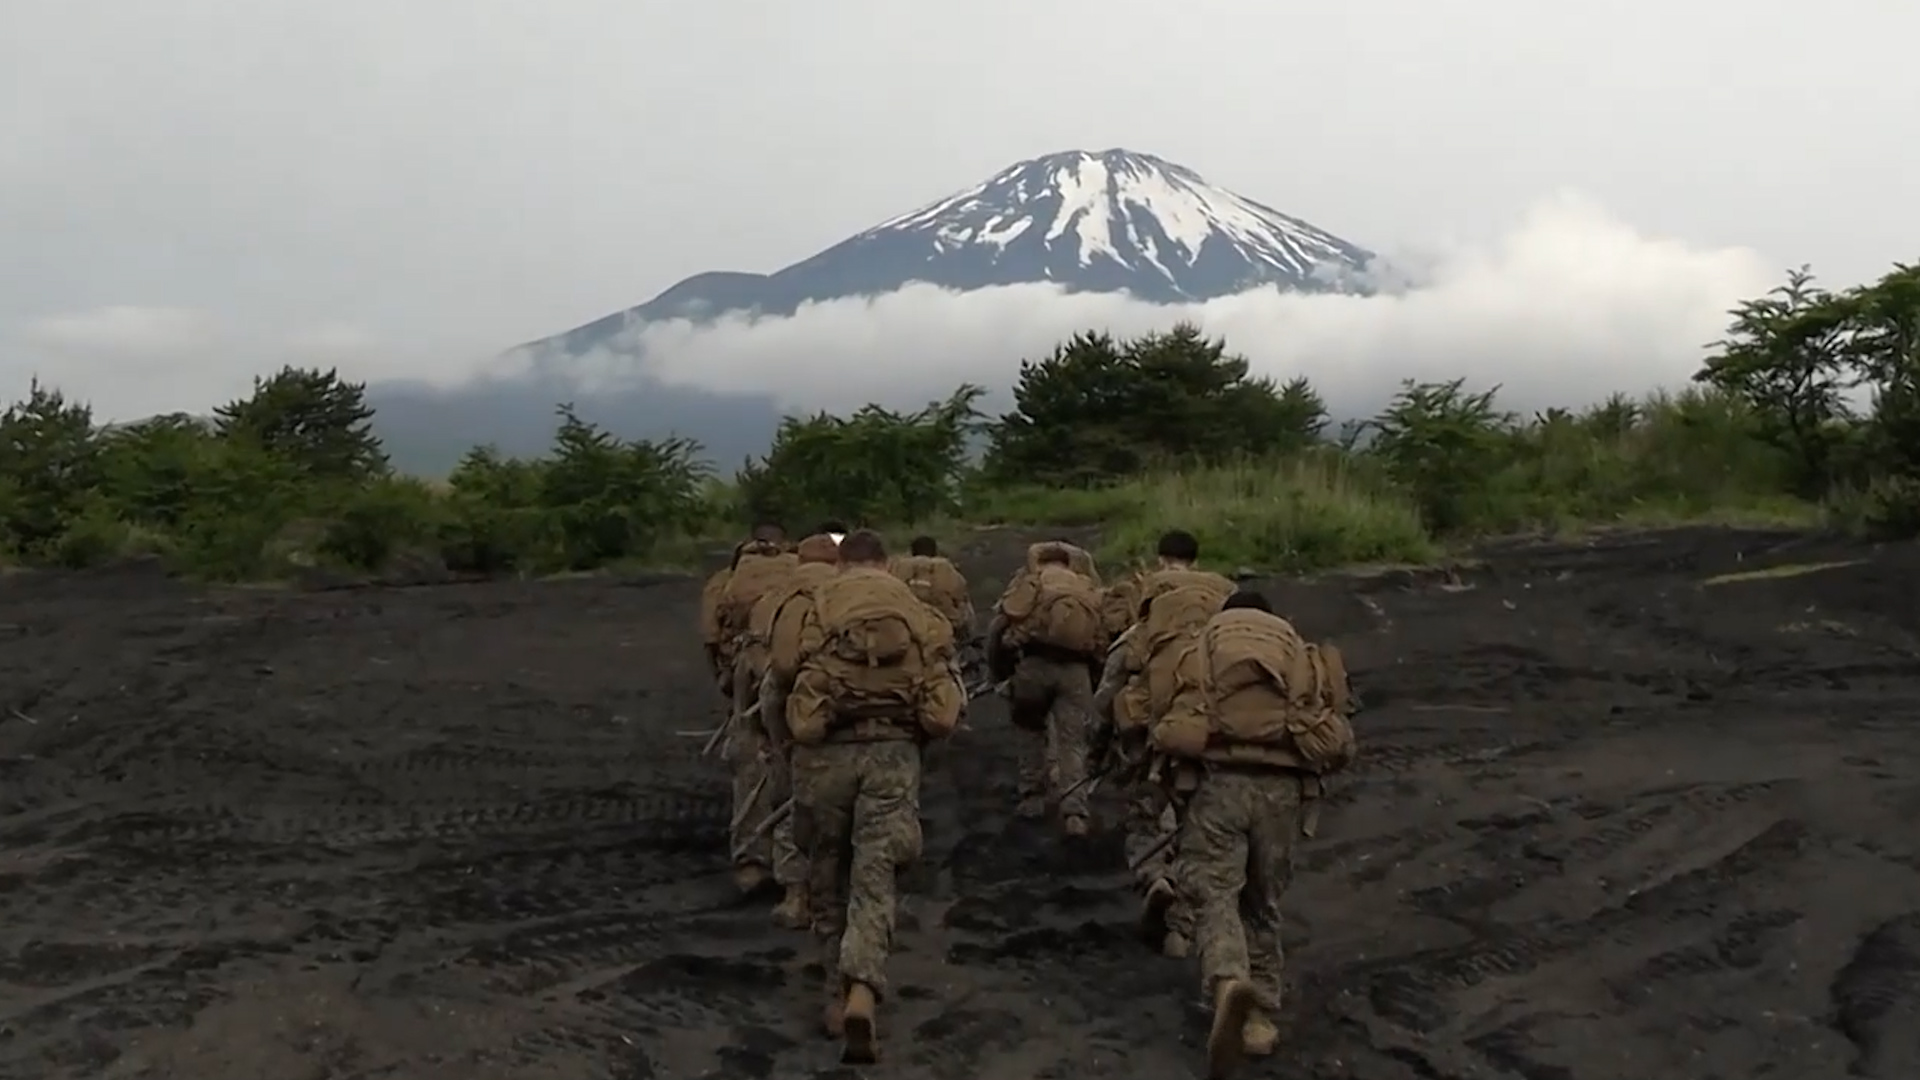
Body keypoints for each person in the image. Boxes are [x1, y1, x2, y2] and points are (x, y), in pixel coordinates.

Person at [1149, 590, 1356, 1077]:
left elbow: (1166, 714)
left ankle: (1227, 980)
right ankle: (1259, 1018)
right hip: (1282, 794)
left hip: (1218, 785)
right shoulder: (1300, 652)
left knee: (1215, 894)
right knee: (1262, 902)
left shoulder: (1200, 648)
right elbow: (1338, 734)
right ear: (1272, 618)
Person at [785, 529, 965, 1063]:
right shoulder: (914, 609)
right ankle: (864, 983)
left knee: (827, 870)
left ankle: (835, 996)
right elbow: (942, 705)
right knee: (875, 874)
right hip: (892, 755)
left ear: (841, 564)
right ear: (887, 565)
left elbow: (782, 672)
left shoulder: (821, 601)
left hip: (825, 757)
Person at [1103, 529, 1236, 956]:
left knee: (1145, 816)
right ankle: (1180, 928)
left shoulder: (1152, 604)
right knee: (1197, 828)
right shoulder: (1224, 598)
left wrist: (1099, 741)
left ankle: (1153, 876)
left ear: (1160, 560)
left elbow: (1113, 679)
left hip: (1157, 732)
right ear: (1196, 562)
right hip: (1216, 734)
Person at [744, 532, 842, 926]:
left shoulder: (776, 601)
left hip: (793, 715)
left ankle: (796, 895)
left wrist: (768, 731)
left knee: (790, 799)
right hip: (852, 714)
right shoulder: (854, 595)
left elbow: (766, 668)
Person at [989, 542, 1108, 836]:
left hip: (1033, 665)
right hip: (1076, 672)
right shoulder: (1087, 587)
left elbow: (998, 628)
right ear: (1068, 563)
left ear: (1040, 563)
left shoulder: (1029, 583)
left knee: (1029, 729)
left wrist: (1000, 673)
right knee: (1073, 741)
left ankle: (1033, 795)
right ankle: (1075, 811)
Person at [713, 524, 798, 895]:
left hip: (749, 681)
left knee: (750, 767)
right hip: (798, 682)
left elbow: (710, 637)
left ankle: (750, 860)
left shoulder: (727, 582)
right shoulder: (802, 577)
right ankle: (796, 865)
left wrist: (728, 685)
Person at [890, 535, 977, 654]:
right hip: (947, 624)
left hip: (909, 625)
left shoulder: (899, 568)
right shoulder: (945, 568)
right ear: (935, 552)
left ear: (912, 552)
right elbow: (960, 595)